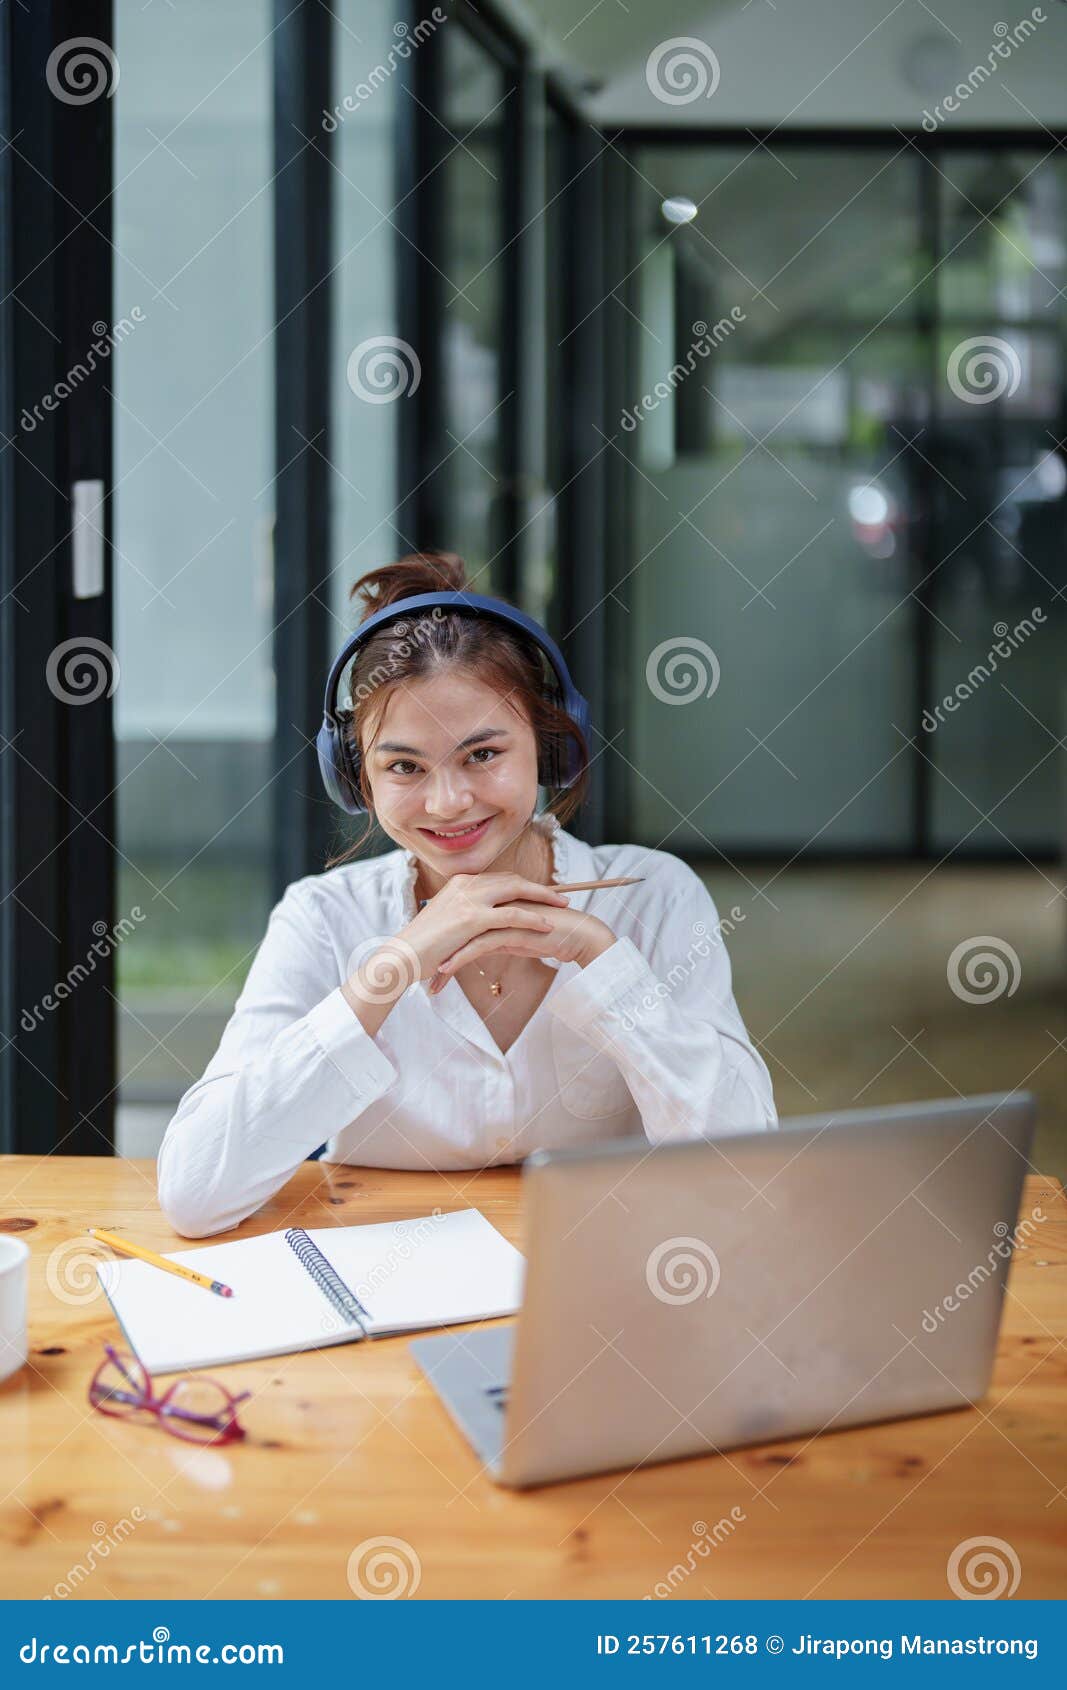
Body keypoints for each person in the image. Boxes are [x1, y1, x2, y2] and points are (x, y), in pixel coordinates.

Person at [157, 551, 776, 1237]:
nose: (448, 803)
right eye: (403, 766)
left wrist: (606, 963)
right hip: (390, 1294)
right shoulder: (323, 918)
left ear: (547, 746)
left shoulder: (652, 896)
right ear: (355, 777)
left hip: (609, 1272)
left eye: (482, 755)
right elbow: (194, 1193)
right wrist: (387, 972)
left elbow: (743, 1173)